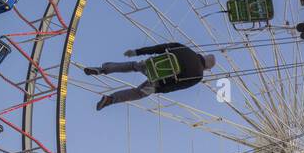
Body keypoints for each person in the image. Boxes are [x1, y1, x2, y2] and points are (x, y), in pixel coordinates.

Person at [84, 43, 216, 111]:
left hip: (151, 65)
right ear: (206, 68)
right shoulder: (198, 75)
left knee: (133, 65)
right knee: (138, 93)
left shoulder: (185, 49)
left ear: (202, 56)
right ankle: (109, 99)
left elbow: (160, 48)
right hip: (159, 80)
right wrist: (158, 90)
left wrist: (138, 52)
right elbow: (178, 86)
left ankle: (102, 69)